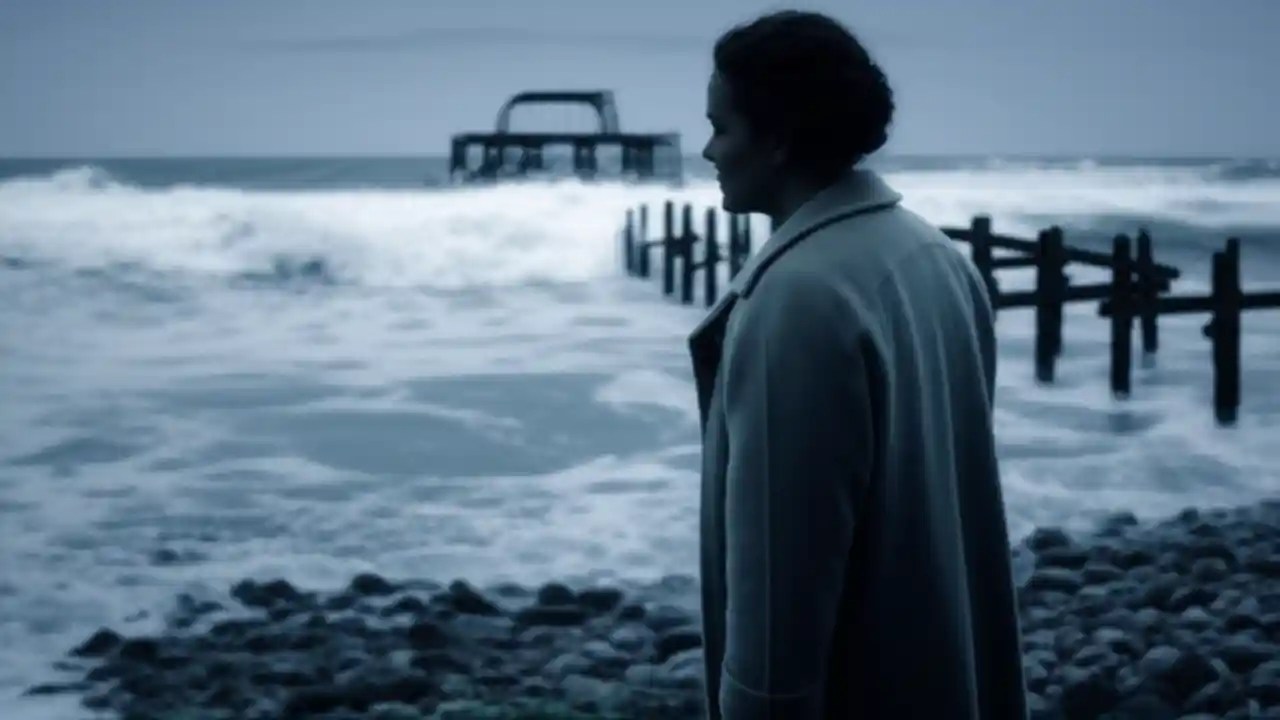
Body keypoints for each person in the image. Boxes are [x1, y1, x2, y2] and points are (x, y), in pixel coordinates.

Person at [689, 10, 1029, 719]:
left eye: (722, 127)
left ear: (777, 140)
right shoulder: (935, 256)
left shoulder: (798, 298)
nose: (708, 151)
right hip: (945, 676)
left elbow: (780, 591)